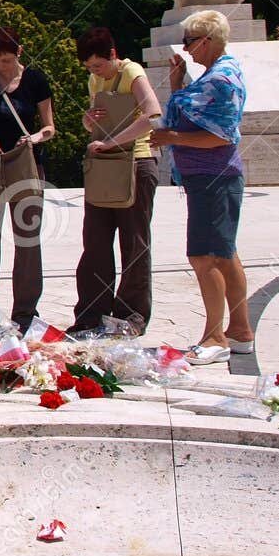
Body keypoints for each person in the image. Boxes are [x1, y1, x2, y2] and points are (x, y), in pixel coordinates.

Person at [149, 10, 252, 366]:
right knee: (224, 253)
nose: (188, 49)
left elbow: (219, 135)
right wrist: (177, 81)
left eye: (191, 41)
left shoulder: (221, 80)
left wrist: (172, 136)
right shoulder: (214, 74)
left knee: (203, 255)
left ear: (207, 40)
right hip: (209, 177)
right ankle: (240, 331)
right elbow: (192, 113)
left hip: (214, 175)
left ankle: (215, 336)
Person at [72, 27, 162, 336]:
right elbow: (94, 120)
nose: (94, 72)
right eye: (89, 68)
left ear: (113, 54)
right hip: (104, 166)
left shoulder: (132, 72)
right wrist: (89, 120)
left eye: (98, 65)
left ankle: (131, 315)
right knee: (95, 241)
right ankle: (91, 312)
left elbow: (152, 114)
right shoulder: (95, 78)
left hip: (137, 162)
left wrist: (111, 142)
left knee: (134, 243)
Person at [0, 27, 55, 334]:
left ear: (19, 52)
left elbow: (49, 127)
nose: (0, 66)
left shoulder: (36, 80)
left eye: (5, 59)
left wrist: (33, 138)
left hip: (25, 162)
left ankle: (27, 313)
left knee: (28, 238)